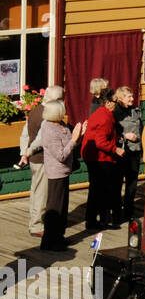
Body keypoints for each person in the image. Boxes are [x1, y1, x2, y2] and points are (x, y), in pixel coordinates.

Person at [18, 85, 63, 238]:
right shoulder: (46, 115)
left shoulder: (34, 111)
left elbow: (24, 134)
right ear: (56, 100)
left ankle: (35, 221)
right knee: (41, 194)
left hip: (34, 160)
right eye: (61, 99)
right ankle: (37, 225)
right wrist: (29, 151)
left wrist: (24, 153)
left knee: (36, 191)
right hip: (42, 158)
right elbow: (40, 140)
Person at [38, 101, 82, 252]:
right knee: (55, 208)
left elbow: (69, 141)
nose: (65, 112)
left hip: (64, 171)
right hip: (56, 172)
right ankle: (49, 241)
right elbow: (61, 155)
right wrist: (74, 139)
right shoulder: (49, 129)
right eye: (62, 110)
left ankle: (59, 237)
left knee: (62, 207)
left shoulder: (60, 124)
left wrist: (79, 133)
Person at [82, 87, 122, 229]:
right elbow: (100, 142)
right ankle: (95, 221)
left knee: (97, 189)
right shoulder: (105, 117)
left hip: (93, 156)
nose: (117, 104)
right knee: (98, 189)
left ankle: (95, 220)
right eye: (115, 101)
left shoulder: (101, 113)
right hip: (98, 158)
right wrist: (115, 149)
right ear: (107, 103)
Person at [112, 86, 142, 224]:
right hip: (121, 152)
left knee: (132, 183)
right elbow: (111, 132)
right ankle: (116, 213)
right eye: (128, 96)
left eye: (132, 96)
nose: (132, 98)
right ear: (120, 98)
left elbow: (140, 129)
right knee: (117, 183)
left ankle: (129, 211)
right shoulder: (115, 112)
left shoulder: (136, 111)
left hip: (135, 151)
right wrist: (125, 135)